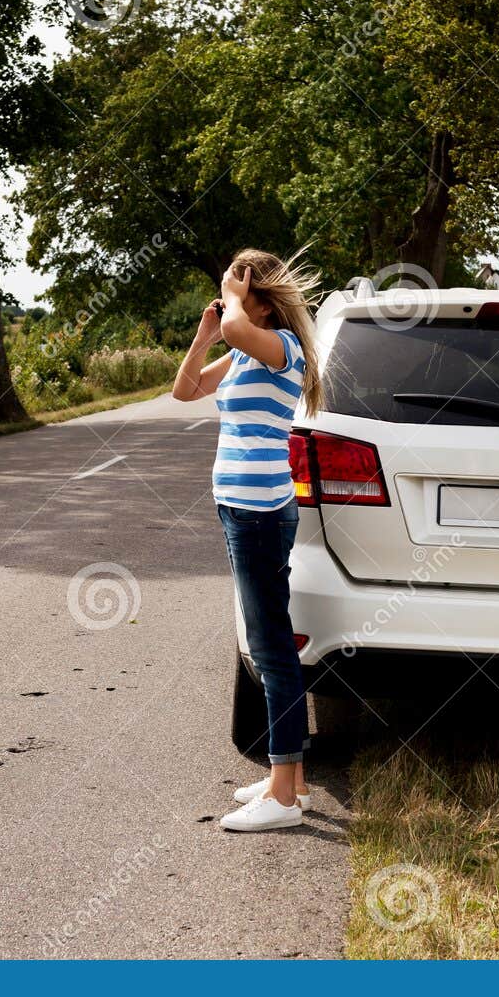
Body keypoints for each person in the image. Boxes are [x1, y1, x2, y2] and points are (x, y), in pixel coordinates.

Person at [171, 248, 324, 831]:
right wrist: (207, 333)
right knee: (271, 641)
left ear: (262, 298)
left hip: (260, 511)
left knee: (270, 648)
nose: (227, 296)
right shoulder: (241, 351)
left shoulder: (281, 348)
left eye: (238, 286)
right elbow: (184, 391)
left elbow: (240, 322)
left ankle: (283, 800)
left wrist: (231, 306)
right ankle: (292, 781)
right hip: (241, 509)